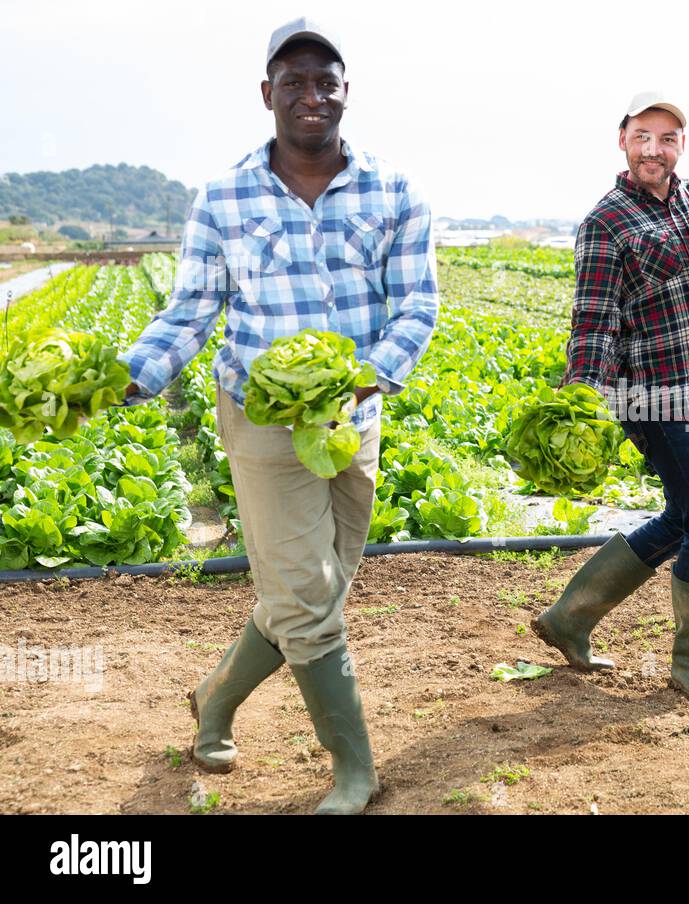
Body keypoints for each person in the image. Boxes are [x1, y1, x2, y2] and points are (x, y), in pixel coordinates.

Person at [118, 17, 437, 812]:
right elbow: (191, 309)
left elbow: (418, 308)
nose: (310, 95)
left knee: (314, 591)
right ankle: (354, 770)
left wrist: (362, 387)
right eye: (293, 82)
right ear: (267, 94)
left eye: (325, 81)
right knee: (306, 595)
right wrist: (133, 374)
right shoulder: (225, 196)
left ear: (346, 94)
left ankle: (215, 699)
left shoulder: (394, 190)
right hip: (259, 421)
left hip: (350, 424)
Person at [531, 91, 689, 703]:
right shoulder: (606, 224)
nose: (655, 148)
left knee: (685, 517)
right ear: (622, 139)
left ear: (682, 145)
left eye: (668, 137)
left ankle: (569, 619)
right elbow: (593, 320)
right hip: (654, 398)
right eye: (643, 135)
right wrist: (583, 403)